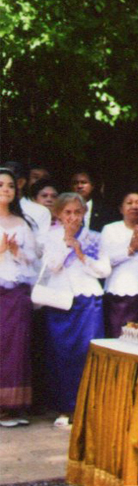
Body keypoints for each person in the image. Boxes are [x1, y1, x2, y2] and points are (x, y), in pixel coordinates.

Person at [40, 193, 110, 427]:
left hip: (87, 301)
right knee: (61, 354)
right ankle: (64, 407)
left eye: (77, 212)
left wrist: (81, 254)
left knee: (86, 353)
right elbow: (52, 266)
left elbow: (104, 270)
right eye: (67, 212)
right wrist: (66, 241)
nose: (72, 217)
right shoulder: (51, 236)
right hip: (60, 301)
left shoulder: (95, 237)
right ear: (58, 214)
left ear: (84, 214)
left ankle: (87, 407)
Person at [0, 169, 37, 426]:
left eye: (10, 185)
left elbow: (33, 258)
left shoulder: (22, 223)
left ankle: (12, 407)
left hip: (16, 292)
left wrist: (15, 251)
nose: (6, 189)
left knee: (16, 347)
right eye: (1, 185)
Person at [101, 188, 138, 336]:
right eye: (129, 203)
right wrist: (129, 250)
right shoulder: (110, 229)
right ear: (121, 209)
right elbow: (105, 260)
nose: (134, 206)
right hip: (119, 293)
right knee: (118, 339)